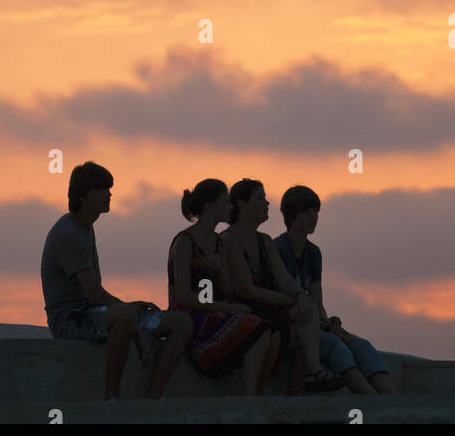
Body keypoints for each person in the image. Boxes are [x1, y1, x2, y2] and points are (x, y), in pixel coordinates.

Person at [41, 161, 193, 399]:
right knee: (124, 315)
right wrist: (131, 318)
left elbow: (98, 299)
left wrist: (128, 311)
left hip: (95, 311)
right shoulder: (68, 233)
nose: (109, 193)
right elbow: (94, 293)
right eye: (102, 188)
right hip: (70, 319)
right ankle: (112, 398)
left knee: (181, 323)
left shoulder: (86, 227)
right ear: (84, 196)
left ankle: (153, 398)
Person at [221, 178, 344, 394]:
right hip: (241, 309)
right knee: (289, 333)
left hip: (265, 308)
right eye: (260, 199)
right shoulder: (229, 239)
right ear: (242, 205)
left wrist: (299, 295)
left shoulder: (265, 241)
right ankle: (258, 397)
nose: (267, 203)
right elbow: (245, 291)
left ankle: (314, 372)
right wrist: (291, 299)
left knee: (307, 310)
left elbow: (284, 279)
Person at [274, 184, 399, 395]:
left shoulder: (313, 253)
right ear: (291, 215)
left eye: (316, 211)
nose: (313, 216)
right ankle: (374, 404)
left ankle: (394, 402)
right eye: (307, 211)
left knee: (361, 345)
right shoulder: (278, 249)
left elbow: (317, 301)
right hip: (292, 323)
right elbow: (285, 300)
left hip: (315, 322)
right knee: (335, 345)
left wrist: (327, 322)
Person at [168, 179, 274, 394]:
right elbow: (183, 297)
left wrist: (219, 271)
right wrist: (227, 308)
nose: (231, 207)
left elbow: (227, 290)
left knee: (268, 330)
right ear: (209, 206)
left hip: (213, 311)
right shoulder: (185, 242)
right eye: (225, 203)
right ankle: (249, 398)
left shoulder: (218, 243)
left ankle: (253, 395)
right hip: (192, 317)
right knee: (258, 328)